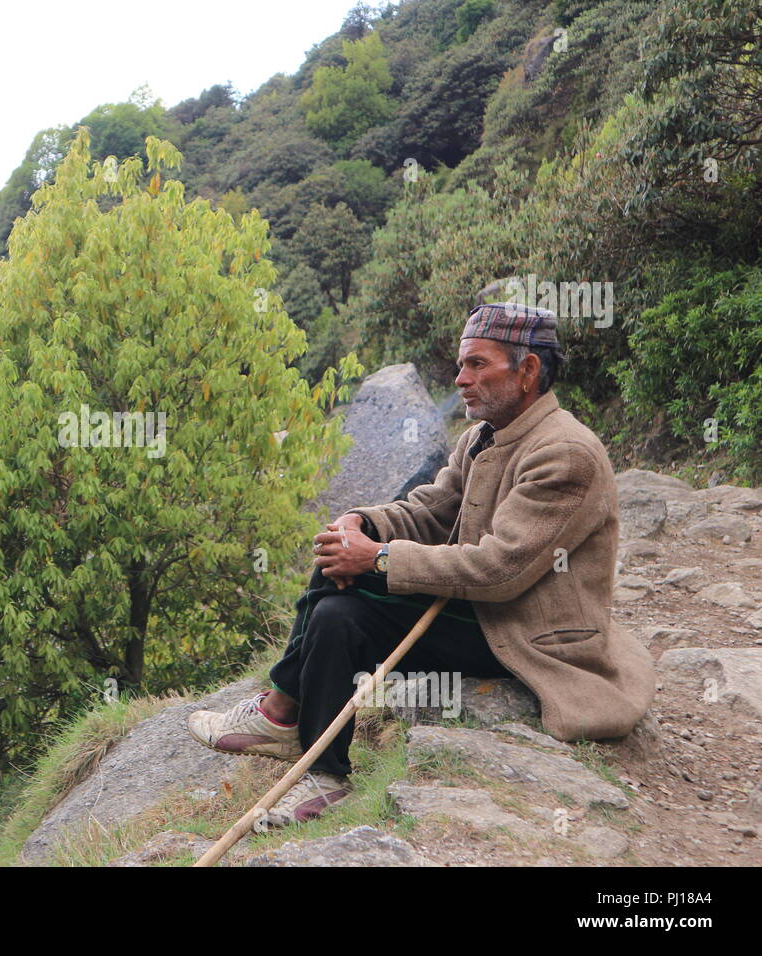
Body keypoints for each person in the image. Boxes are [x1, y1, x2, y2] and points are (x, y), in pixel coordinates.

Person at [187, 303, 656, 827]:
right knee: (336, 588)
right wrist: (363, 523)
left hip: (527, 633)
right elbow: (432, 510)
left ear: (526, 372)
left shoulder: (565, 454)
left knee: (343, 599)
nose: (461, 378)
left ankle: (290, 729)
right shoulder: (482, 436)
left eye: (478, 364)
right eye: (462, 365)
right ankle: (307, 747)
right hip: (483, 614)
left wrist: (379, 558)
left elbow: (500, 571)